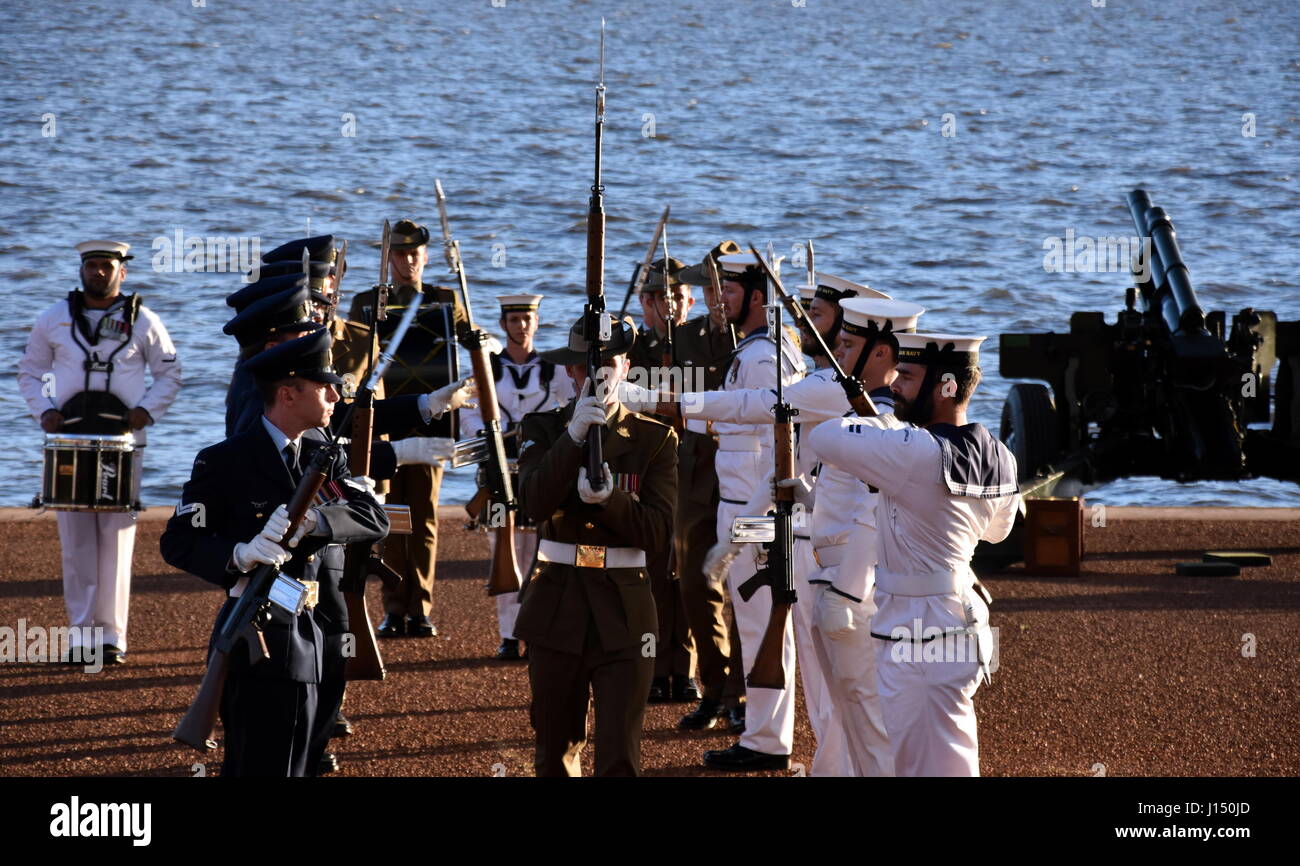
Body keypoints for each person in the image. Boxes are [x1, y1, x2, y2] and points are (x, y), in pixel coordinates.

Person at [160, 326, 389, 776]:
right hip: (261, 630)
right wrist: (240, 553)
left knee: (306, 759)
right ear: (287, 393)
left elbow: (373, 519)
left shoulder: (326, 454)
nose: (335, 397)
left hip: (324, 629)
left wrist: (317, 522)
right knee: (258, 761)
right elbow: (179, 540)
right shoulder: (226, 460)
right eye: (324, 387)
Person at [807, 332, 1020, 776]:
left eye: (906, 376)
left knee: (928, 764)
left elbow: (827, 436)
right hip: (956, 621)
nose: (895, 386)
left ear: (945, 387)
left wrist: (884, 425)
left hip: (917, 633)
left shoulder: (913, 451)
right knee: (944, 754)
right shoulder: (1000, 454)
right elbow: (998, 532)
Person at [514, 316, 677, 776]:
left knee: (619, 757)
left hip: (625, 611)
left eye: (608, 365)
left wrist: (613, 502)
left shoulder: (654, 439)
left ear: (626, 367)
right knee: (553, 752)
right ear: (571, 372)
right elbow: (532, 503)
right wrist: (572, 439)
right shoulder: (543, 428)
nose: (597, 376)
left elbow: (658, 534)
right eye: (588, 368)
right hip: (556, 603)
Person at [18, 240, 182, 665]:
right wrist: (45, 411)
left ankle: (112, 638)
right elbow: (30, 372)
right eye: (91, 265)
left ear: (121, 272)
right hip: (68, 442)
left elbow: (170, 372)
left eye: (107, 267)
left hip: (122, 444)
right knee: (75, 543)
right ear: (82, 269)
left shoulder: (143, 319)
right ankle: (81, 636)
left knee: (116, 540)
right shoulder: (52, 318)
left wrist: (148, 410)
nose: (98, 273)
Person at [685, 250, 805, 771]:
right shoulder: (754, 350)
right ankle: (764, 733)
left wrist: (672, 403)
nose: (720, 299)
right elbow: (735, 424)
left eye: (730, 291)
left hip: (753, 509)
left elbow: (767, 425)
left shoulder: (761, 355)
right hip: (743, 504)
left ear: (757, 298)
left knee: (762, 627)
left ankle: (766, 741)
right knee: (757, 625)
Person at [348, 219, 465, 638]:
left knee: (424, 517)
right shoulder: (366, 302)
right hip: (383, 425)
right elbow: (353, 359)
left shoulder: (446, 299)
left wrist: (479, 339)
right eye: (400, 253)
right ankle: (394, 606)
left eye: (415, 253)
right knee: (388, 516)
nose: (408, 260)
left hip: (430, 419)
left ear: (426, 256)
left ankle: (421, 608)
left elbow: (466, 344)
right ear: (388, 257)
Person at [623, 258, 699, 703]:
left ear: (688, 300)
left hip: (694, 474)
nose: (666, 306)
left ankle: (685, 668)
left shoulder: (704, 346)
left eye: (674, 296)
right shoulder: (635, 349)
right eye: (656, 299)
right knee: (650, 575)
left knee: (686, 578)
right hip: (647, 475)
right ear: (644, 303)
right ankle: (650, 666)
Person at [486, 293, 574, 660]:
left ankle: (536, 629)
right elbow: (474, 414)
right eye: (514, 320)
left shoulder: (554, 368)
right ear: (503, 324)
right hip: (499, 471)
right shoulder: (486, 367)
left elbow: (568, 411)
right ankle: (508, 634)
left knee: (543, 553)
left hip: (537, 469)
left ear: (537, 322)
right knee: (503, 552)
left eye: (527, 319)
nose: (521, 326)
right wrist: (490, 440)